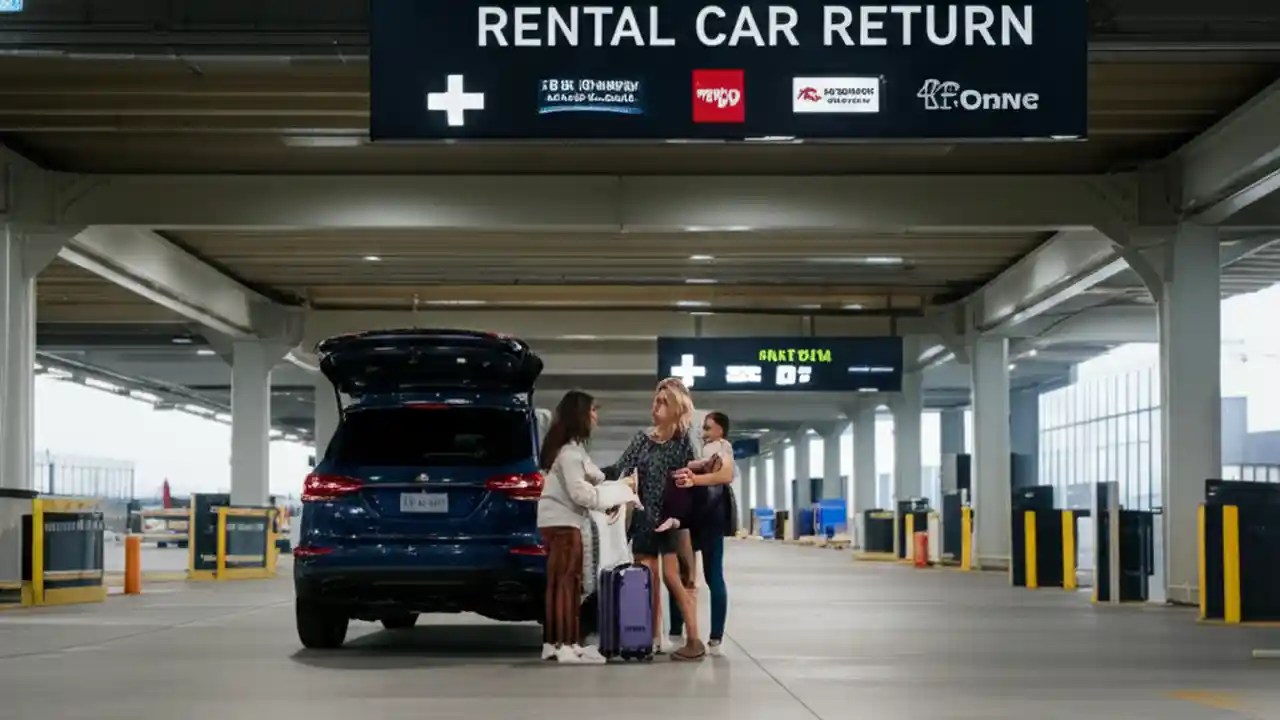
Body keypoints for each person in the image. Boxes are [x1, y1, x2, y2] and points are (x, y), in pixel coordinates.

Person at [604, 377, 712, 661]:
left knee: (675, 578)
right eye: (656, 400)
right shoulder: (643, 439)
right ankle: (651, 638)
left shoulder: (683, 443)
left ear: (676, 407)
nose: (657, 405)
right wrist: (590, 475)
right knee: (646, 578)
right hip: (645, 518)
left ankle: (694, 638)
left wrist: (682, 513)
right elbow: (619, 468)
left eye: (664, 401)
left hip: (673, 520)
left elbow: (690, 481)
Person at [537, 390, 641, 664]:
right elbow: (580, 494)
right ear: (580, 415)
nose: (596, 417)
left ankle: (553, 643)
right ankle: (568, 645)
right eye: (593, 411)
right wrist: (615, 495)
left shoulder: (571, 450)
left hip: (555, 522)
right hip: (563, 524)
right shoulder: (570, 453)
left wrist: (616, 484)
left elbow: (594, 473)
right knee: (568, 584)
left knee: (558, 583)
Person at [669, 411, 736, 656]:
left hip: (703, 518)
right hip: (705, 519)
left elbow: (725, 474)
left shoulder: (721, 449)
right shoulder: (709, 450)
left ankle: (679, 630)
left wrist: (693, 480)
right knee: (699, 575)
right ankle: (712, 636)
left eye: (708, 428)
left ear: (720, 430)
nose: (704, 433)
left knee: (688, 575)